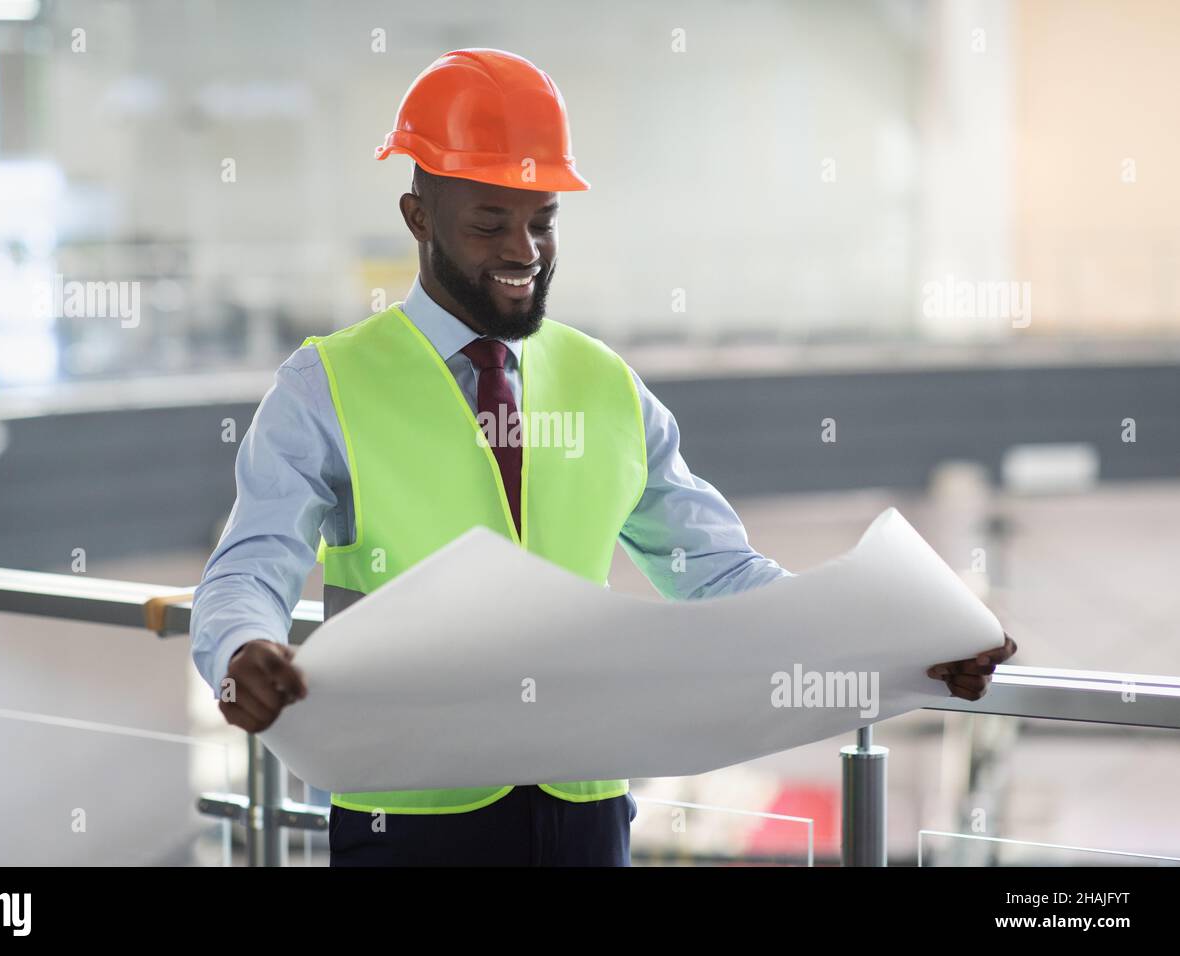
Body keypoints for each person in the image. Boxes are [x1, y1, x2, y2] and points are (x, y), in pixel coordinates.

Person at [189, 47, 1017, 867]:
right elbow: (249, 567)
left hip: (584, 819)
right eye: (489, 223)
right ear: (418, 217)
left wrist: (903, 642)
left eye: (542, 220)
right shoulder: (324, 386)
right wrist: (239, 653)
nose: (525, 251)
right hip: (405, 817)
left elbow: (722, 575)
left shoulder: (607, 385)